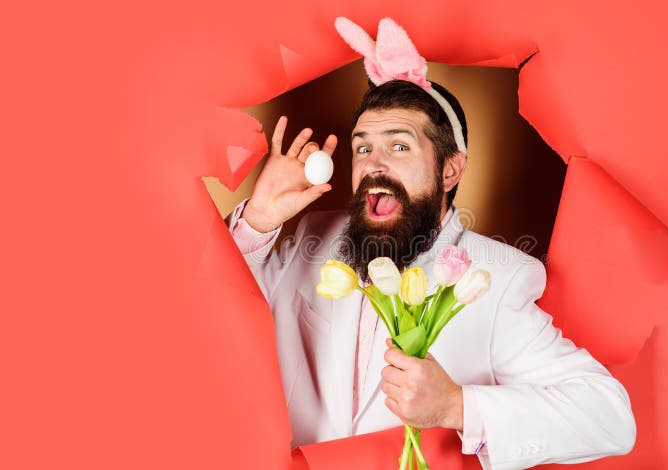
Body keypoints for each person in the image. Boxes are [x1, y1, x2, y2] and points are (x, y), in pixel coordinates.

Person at [225, 17, 635, 469]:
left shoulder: (497, 278)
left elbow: (609, 417)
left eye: (399, 147)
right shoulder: (310, 235)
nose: (374, 164)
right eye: (362, 148)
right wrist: (258, 220)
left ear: (450, 171)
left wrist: (456, 406)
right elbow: (212, 320)